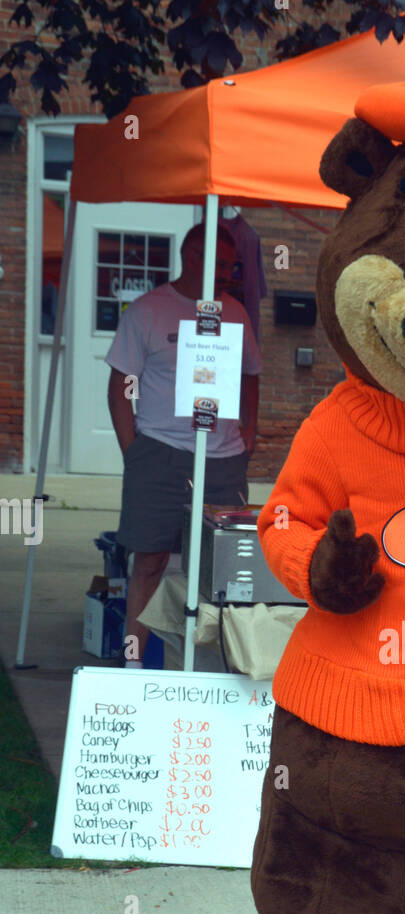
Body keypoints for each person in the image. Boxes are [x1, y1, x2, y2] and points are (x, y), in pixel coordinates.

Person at [106, 222, 263, 666]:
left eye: (233, 266)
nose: (230, 274)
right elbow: (122, 384)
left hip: (224, 459)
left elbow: (251, 374)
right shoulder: (148, 311)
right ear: (193, 256)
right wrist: (132, 448)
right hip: (159, 452)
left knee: (220, 570)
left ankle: (213, 670)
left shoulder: (234, 313)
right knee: (150, 562)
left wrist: (249, 428)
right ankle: (133, 664)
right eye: (223, 264)